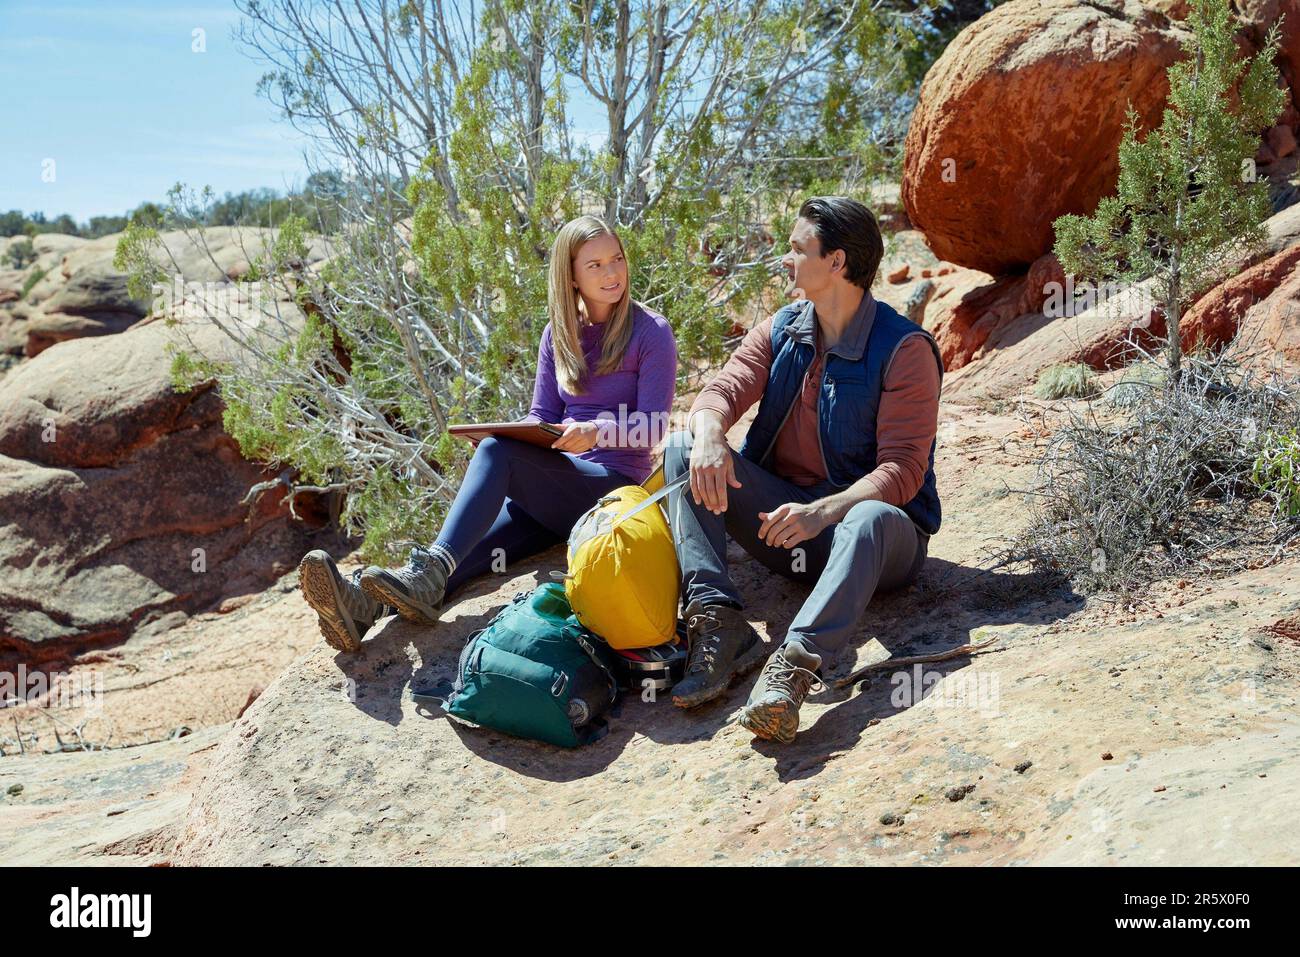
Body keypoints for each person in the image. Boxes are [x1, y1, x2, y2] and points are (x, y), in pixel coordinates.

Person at [299, 215, 678, 652]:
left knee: (501, 454)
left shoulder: (651, 331)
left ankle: (422, 574)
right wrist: (522, 435)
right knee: (463, 554)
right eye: (594, 265)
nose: (612, 273)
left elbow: (654, 426)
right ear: (570, 275)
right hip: (557, 496)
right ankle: (363, 609)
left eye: (617, 259)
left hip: (613, 493)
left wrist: (597, 432)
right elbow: (543, 414)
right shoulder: (558, 334)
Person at [661, 196, 942, 744]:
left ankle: (791, 674)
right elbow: (722, 390)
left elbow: (905, 470)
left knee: (867, 519)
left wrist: (823, 511)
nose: (783, 260)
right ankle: (719, 624)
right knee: (682, 447)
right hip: (787, 530)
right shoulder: (783, 328)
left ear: (836, 263)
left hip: (877, 544)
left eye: (795, 249)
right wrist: (712, 431)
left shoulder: (903, 349)